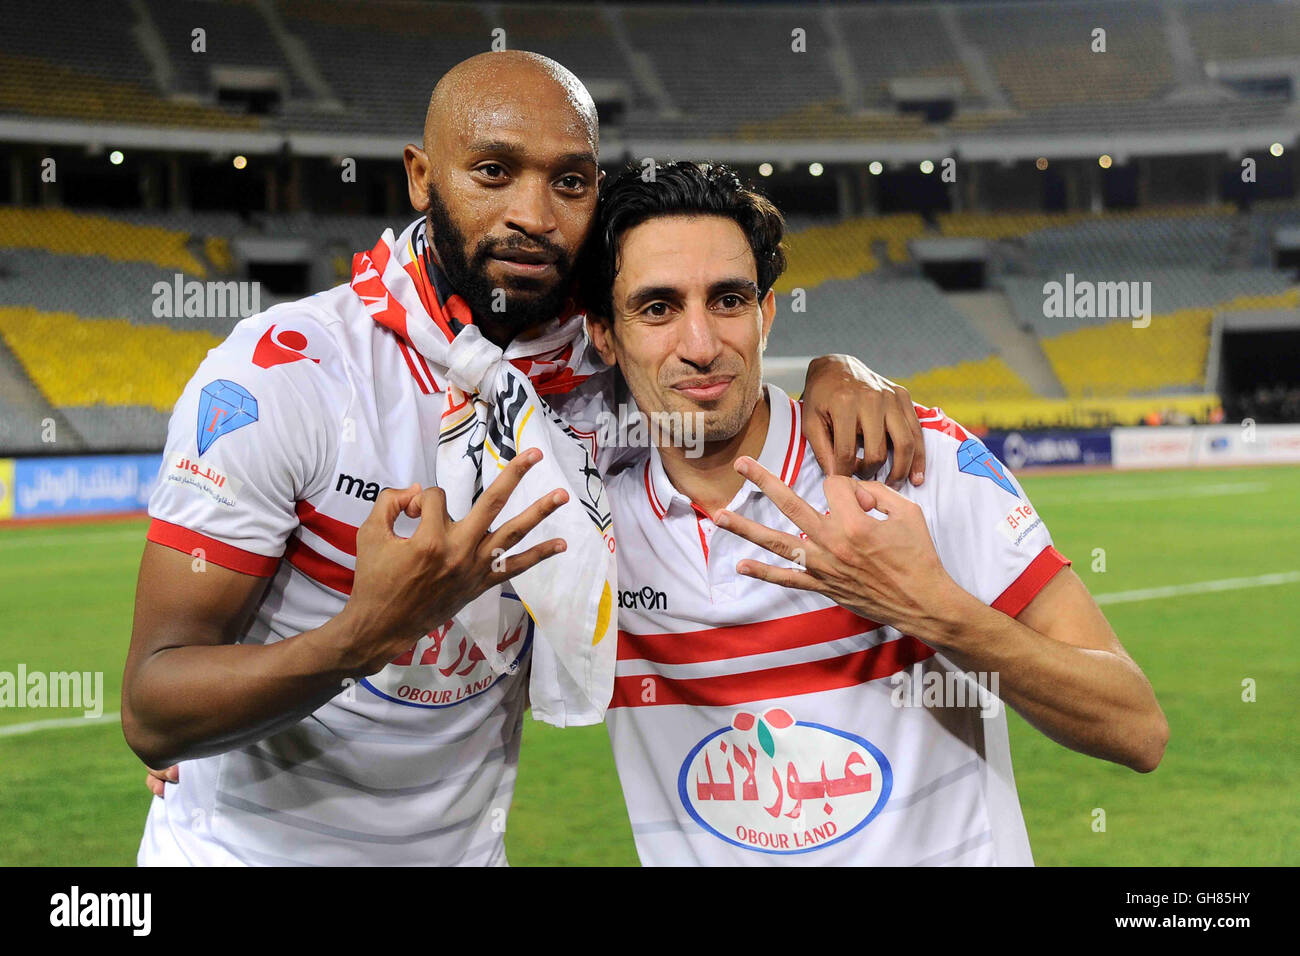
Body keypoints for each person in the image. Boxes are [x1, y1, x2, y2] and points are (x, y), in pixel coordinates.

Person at [124, 52, 926, 866]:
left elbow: (716, 361)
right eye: (494, 172)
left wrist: (837, 370)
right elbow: (155, 707)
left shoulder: (601, 372)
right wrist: (367, 635)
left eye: (570, 182)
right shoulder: (285, 373)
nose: (535, 214)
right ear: (420, 177)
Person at [581, 161, 1169, 865]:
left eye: (730, 301)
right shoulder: (587, 523)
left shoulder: (914, 460)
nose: (702, 344)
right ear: (604, 335)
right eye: (658, 308)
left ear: (766, 314)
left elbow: (1136, 728)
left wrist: (929, 609)